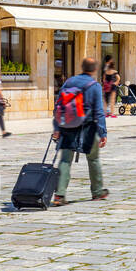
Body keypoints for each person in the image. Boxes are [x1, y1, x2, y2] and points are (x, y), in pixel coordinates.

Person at [52, 57, 108, 206]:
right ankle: (97, 192)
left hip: (67, 126)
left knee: (65, 160)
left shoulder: (69, 82)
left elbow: (58, 105)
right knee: (93, 159)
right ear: (95, 69)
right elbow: (99, 111)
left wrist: (56, 127)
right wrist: (103, 132)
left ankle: (59, 194)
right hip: (87, 128)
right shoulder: (94, 85)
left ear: (81, 67)